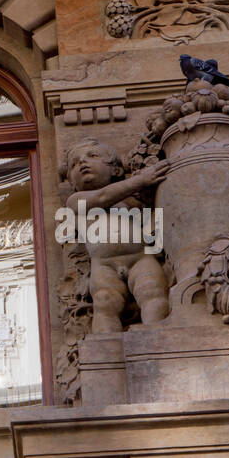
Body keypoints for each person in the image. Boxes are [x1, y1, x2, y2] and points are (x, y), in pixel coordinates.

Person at [60, 138, 171, 332]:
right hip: (104, 265)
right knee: (104, 303)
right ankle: (105, 349)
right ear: (72, 183)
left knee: (152, 292)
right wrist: (141, 180)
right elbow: (102, 197)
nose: (82, 163)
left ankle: (157, 339)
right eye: (75, 164)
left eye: (92, 156)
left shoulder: (128, 200)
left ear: (116, 170)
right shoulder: (75, 200)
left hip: (140, 258)